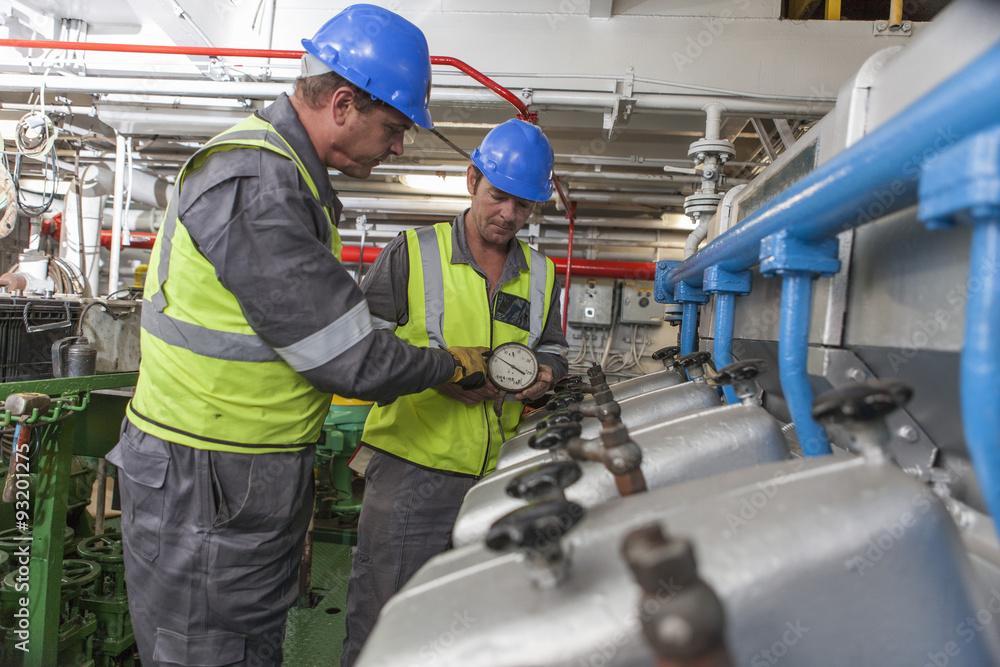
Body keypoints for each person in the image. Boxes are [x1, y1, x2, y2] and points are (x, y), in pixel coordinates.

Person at [104, 6, 490, 666]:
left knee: (247, 647)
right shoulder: (257, 184)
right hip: (207, 477)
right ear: (343, 103)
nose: (398, 146)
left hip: (240, 472)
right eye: (394, 128)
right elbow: (348, 356)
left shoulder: (289, 180)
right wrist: (448, 367)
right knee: (209, 651)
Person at [341, 118, 570, 665]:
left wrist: (546, 373)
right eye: (498, 196)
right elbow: (361, 345)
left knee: (478, 621)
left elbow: (556, 347)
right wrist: (436, 373)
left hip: (501, 474)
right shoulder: (413, 253)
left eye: (523, 205)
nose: (509, 215)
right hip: (412, 468)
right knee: (389, 614)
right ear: (472, 180)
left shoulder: (541, 273)